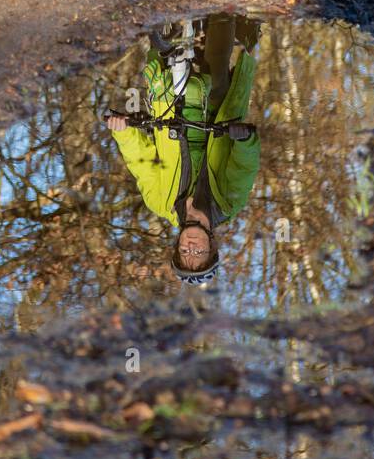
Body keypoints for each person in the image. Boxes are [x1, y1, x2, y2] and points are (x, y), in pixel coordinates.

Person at [106, 15, 261, 285]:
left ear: (176, 245)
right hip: (218, 117)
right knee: (217, 83)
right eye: (198, 253)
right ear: (212, 247)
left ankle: (164, 32)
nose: (190, 246)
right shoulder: (229, 203)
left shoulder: (160, 203)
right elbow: (244, 166)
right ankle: (226, 11)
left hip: (172, 116)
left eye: (184, 252)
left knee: (161, 69)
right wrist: (244, 139)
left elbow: (140, 162)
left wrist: (124, 131)